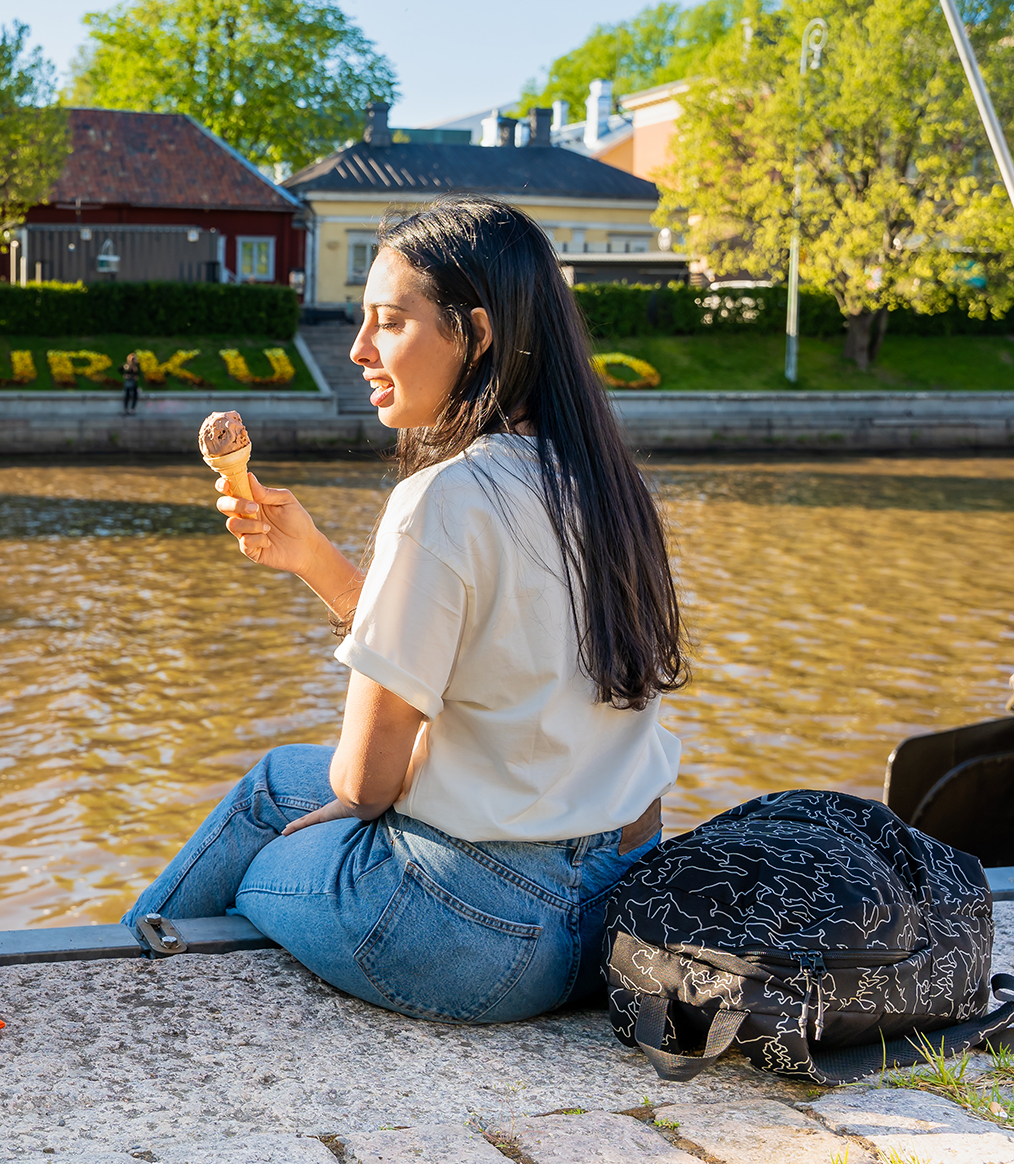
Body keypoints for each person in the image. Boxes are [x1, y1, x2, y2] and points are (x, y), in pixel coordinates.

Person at [126, 195, 686, 1025]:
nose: (359, 350)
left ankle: (119, 970)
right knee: (284, 777)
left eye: (389, 322)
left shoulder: (445, 495)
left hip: (480, 935)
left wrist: (338, 819)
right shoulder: (608, 486)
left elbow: (365, 782)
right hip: (613, 918)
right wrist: (314, 560)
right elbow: (471, 666)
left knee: (254, 854)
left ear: (477, 333)